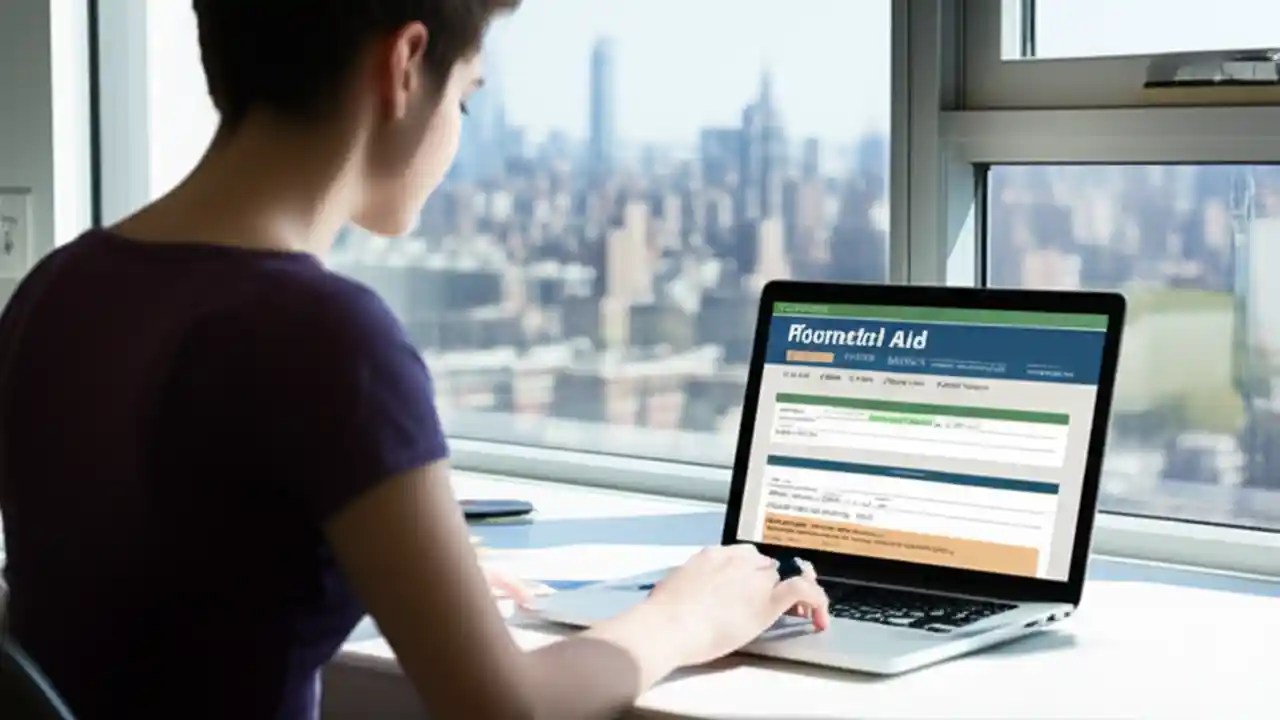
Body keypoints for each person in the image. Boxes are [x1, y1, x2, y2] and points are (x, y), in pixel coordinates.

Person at [0, 1, 830, 718]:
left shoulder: (55, 286)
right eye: (464, 97)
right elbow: (504, 706)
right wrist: (683, 619)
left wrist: (399, 566)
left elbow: (172, 574)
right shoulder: (327, 336)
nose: (458, 128)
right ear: (404, 65)